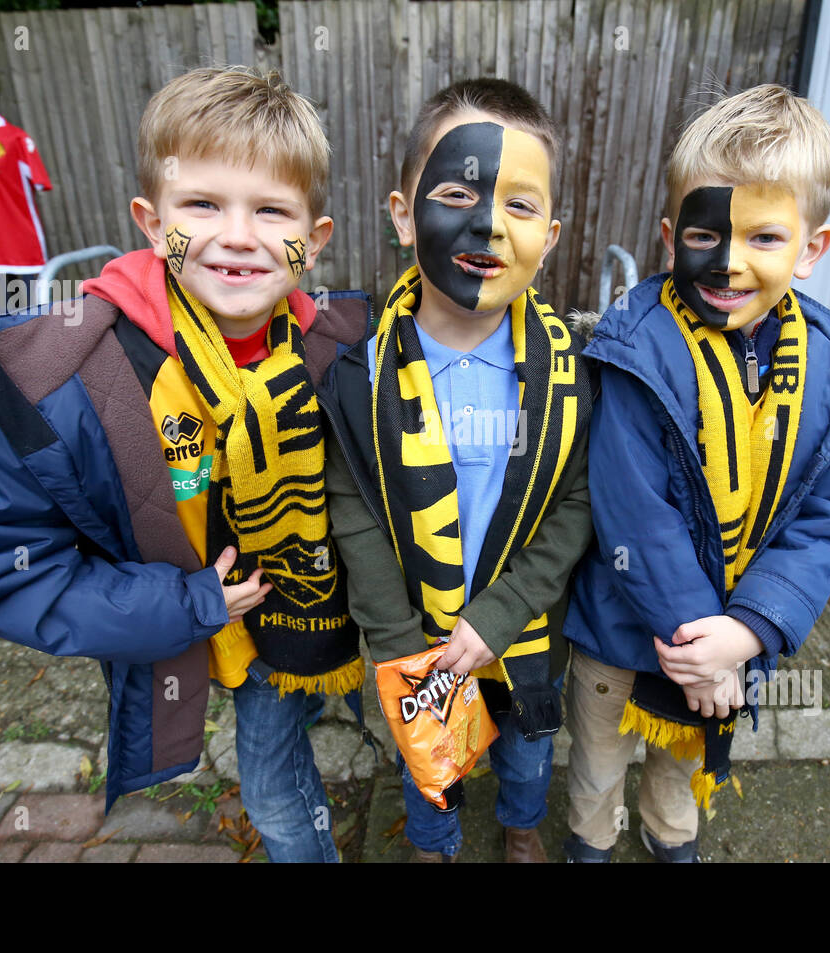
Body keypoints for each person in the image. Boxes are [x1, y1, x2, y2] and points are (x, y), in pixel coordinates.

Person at [0, 67, 370, 862]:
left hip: (306, 620)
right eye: (203, 204)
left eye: (272, 211)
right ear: (151, 222)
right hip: (204, 621)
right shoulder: (64, 378)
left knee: (275, 759)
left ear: (316, 237)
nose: (238, 234)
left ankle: (309, 698)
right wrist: (184, 604)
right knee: (272, 794)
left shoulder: (341, 348)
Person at [562, 84, 830, 862]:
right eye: (707, 233)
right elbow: (635, 511)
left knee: (682, 759)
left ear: (811, 249)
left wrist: (748, 630)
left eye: (764, 238)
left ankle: (672, 837)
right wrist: (695, 638)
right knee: (598, 759)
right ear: (670, 238)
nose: (729, 262)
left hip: (732, 632)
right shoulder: (635, 344)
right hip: (619, 627)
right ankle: (591, 843)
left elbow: (827, 517)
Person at [318, 78, 593, 863]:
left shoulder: (571, 376)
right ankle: (433, 843)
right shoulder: (358, 376)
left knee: (527, 748)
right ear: (404, 214)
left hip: (524, 634)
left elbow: (574, 507)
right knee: (426, 761)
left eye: (521, 205)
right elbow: (354, 511)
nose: (487, 223)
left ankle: (519, 821)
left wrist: (498, 616)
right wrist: (400, 640)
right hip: (419, 643)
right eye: (456, 190)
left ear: (551, 236)